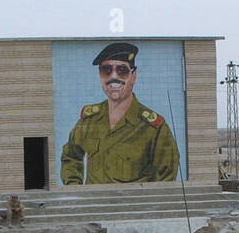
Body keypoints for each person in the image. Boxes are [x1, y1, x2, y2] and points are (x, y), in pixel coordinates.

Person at [60, 41, 180, 185]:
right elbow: (70, 156)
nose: (113, 77)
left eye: (122, 70)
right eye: (106, 70)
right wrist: (76, 190)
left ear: (133, 76)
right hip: (94, 205)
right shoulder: (89, 120)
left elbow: (165, 177)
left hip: (131, 206)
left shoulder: (154, 128)